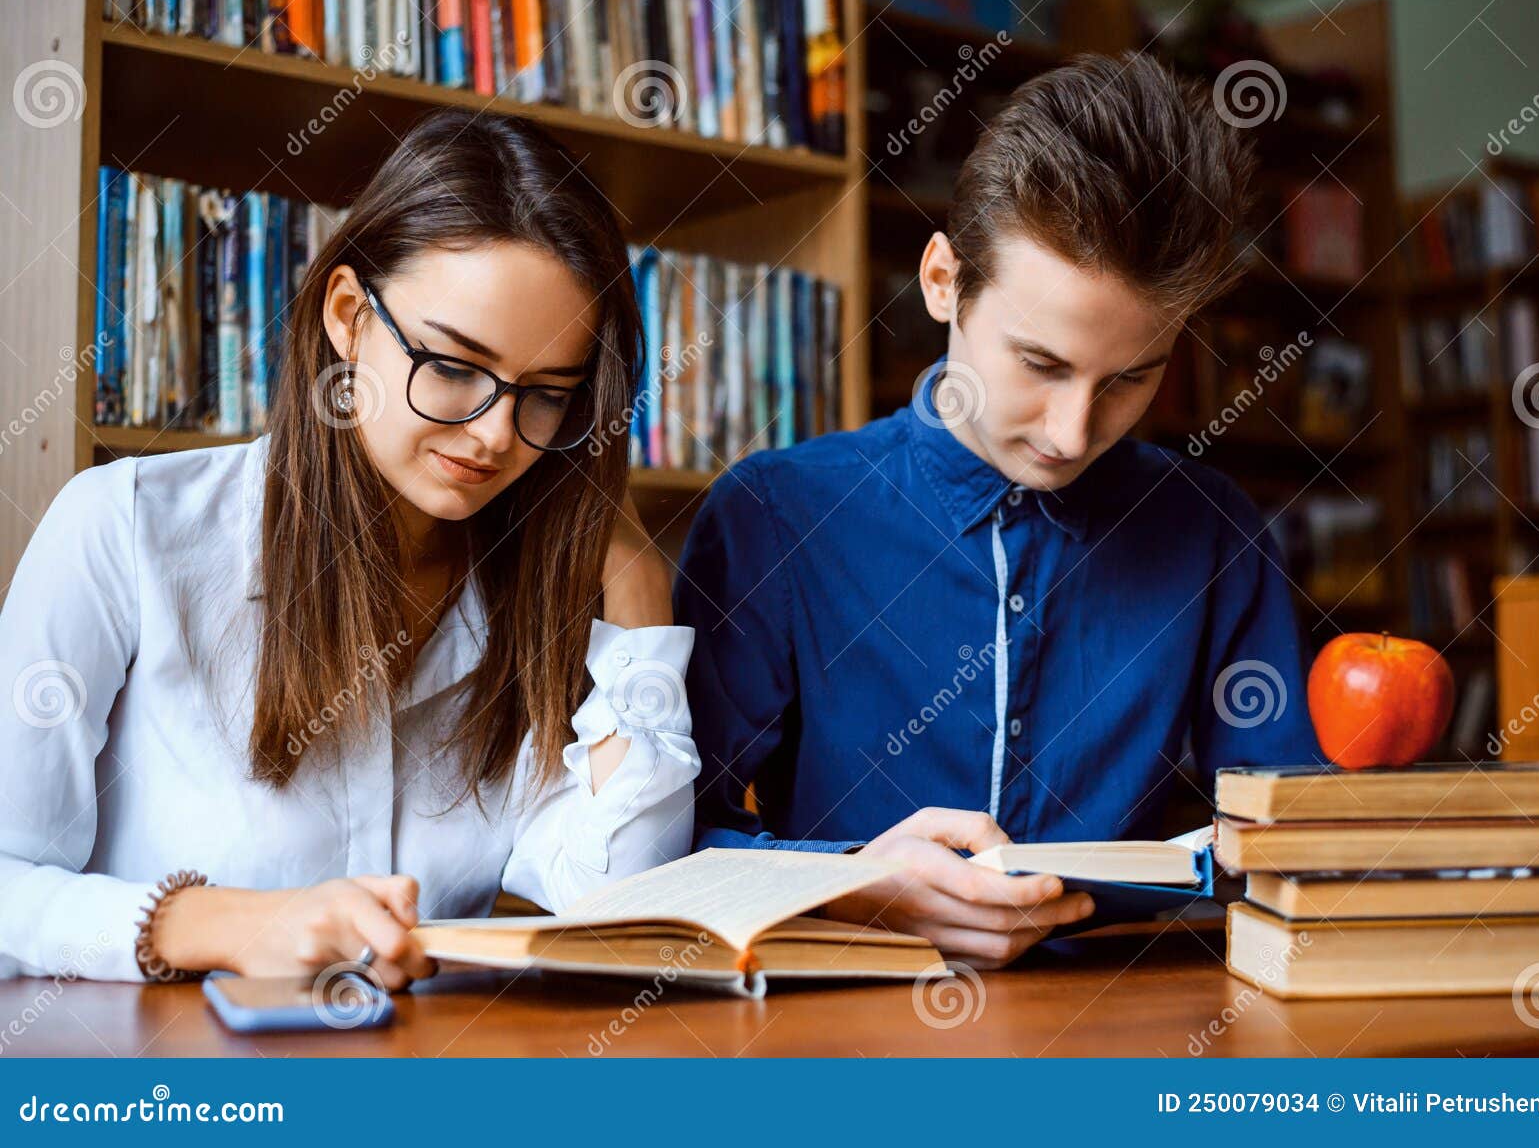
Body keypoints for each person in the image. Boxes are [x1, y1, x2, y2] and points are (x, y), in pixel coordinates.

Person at [0, 110, 698, 986]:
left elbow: (621, 910)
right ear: (346, 316)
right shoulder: (126, 531)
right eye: (451, 367)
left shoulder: (537, 593)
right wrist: (207, 923)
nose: (492, 436)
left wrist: (635, 593)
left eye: (546, 395)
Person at [675, 53, 1322, 969]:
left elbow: (1291, 844)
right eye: (1042, 365)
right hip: (835, 1043)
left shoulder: (1212, 530)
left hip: (1128, 1040)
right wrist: (857, 881)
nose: (1070, 432)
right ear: (944, 282)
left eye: (1130, 378)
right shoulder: (775, 518)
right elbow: (653, 852)